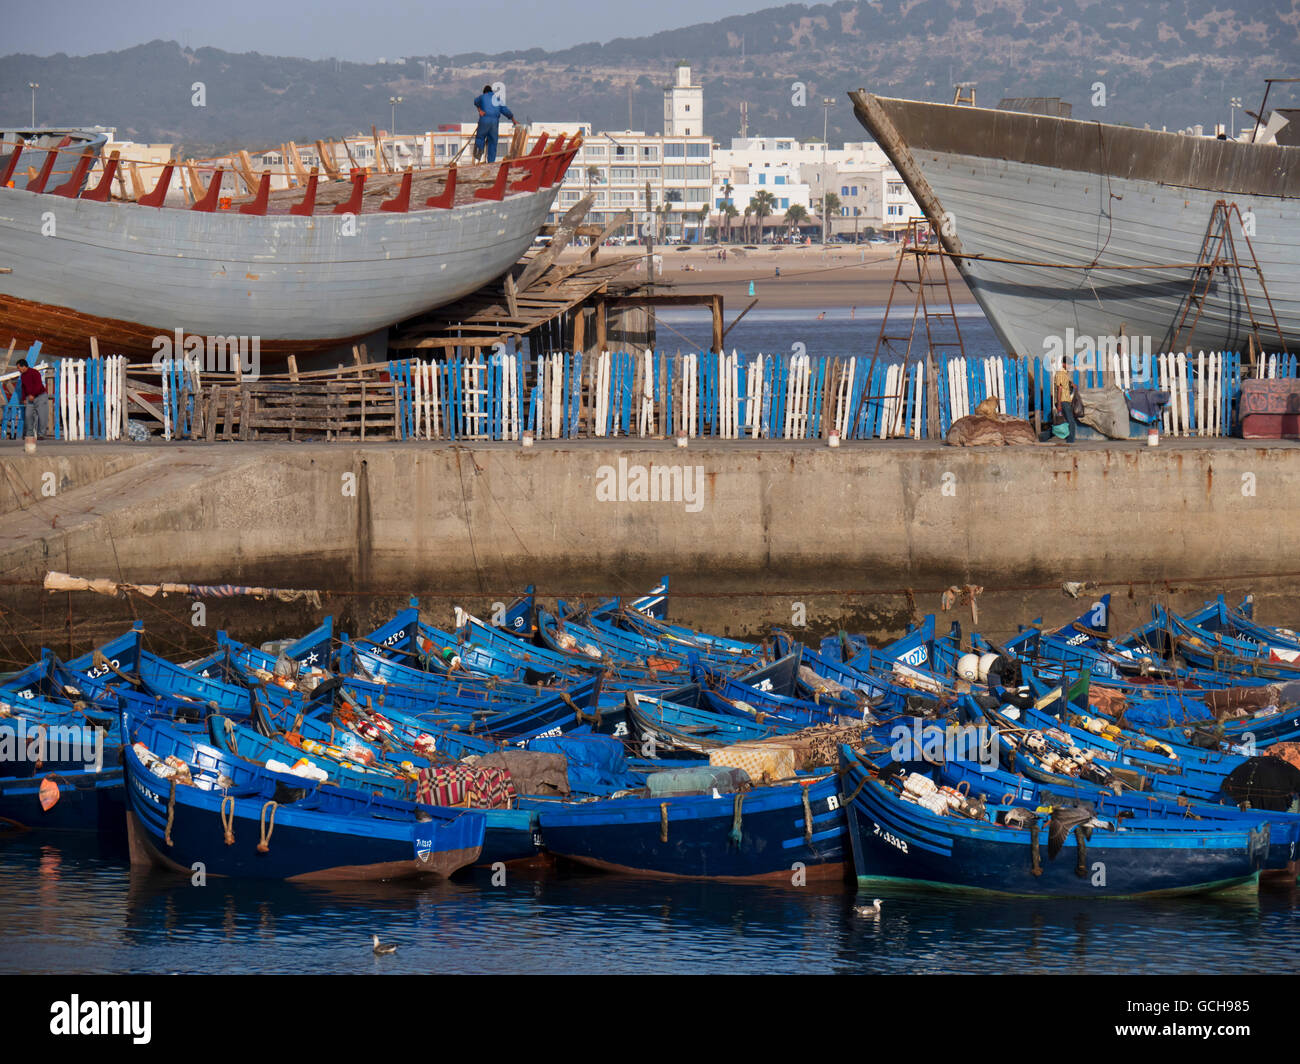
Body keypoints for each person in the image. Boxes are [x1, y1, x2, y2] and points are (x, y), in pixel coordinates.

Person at [472, 84, 515, 164]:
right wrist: (513, 120)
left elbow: (475, 101)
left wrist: (479, 110)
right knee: (493, 142)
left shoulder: (482, 97)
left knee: (480, 138)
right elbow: (506, 111)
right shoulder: (497, 99)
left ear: (484, 92)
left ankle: (477, 159)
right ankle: (491, 163)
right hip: (494, 123)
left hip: (484, 119)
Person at [15, 358, 48, 439]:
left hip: (40, 396)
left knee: (42, 416)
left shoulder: (35, 373)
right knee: (28, 415)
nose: (18, 370)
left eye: (19, 368)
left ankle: (41, 434)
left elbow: (38, 385)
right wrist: (24, 398)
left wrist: (33, 394)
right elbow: (24, 387)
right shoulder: (22, 376)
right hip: (29, 397)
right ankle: (29, 434)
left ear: (23, 367)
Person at [1051, 354, 1078, 442]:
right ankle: (1070, 442)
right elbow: (1059, 389)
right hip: (1063, 401)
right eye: (1068, 364)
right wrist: (1059, 405)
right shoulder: (1061, 373)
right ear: (1063, 364)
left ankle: (1043, 436)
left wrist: (1071, 384)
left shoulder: (1064, 374)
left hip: (1065, 401)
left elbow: (1064, 384)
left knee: (1062, 423)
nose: (1070, 366)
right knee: (1071, 422)